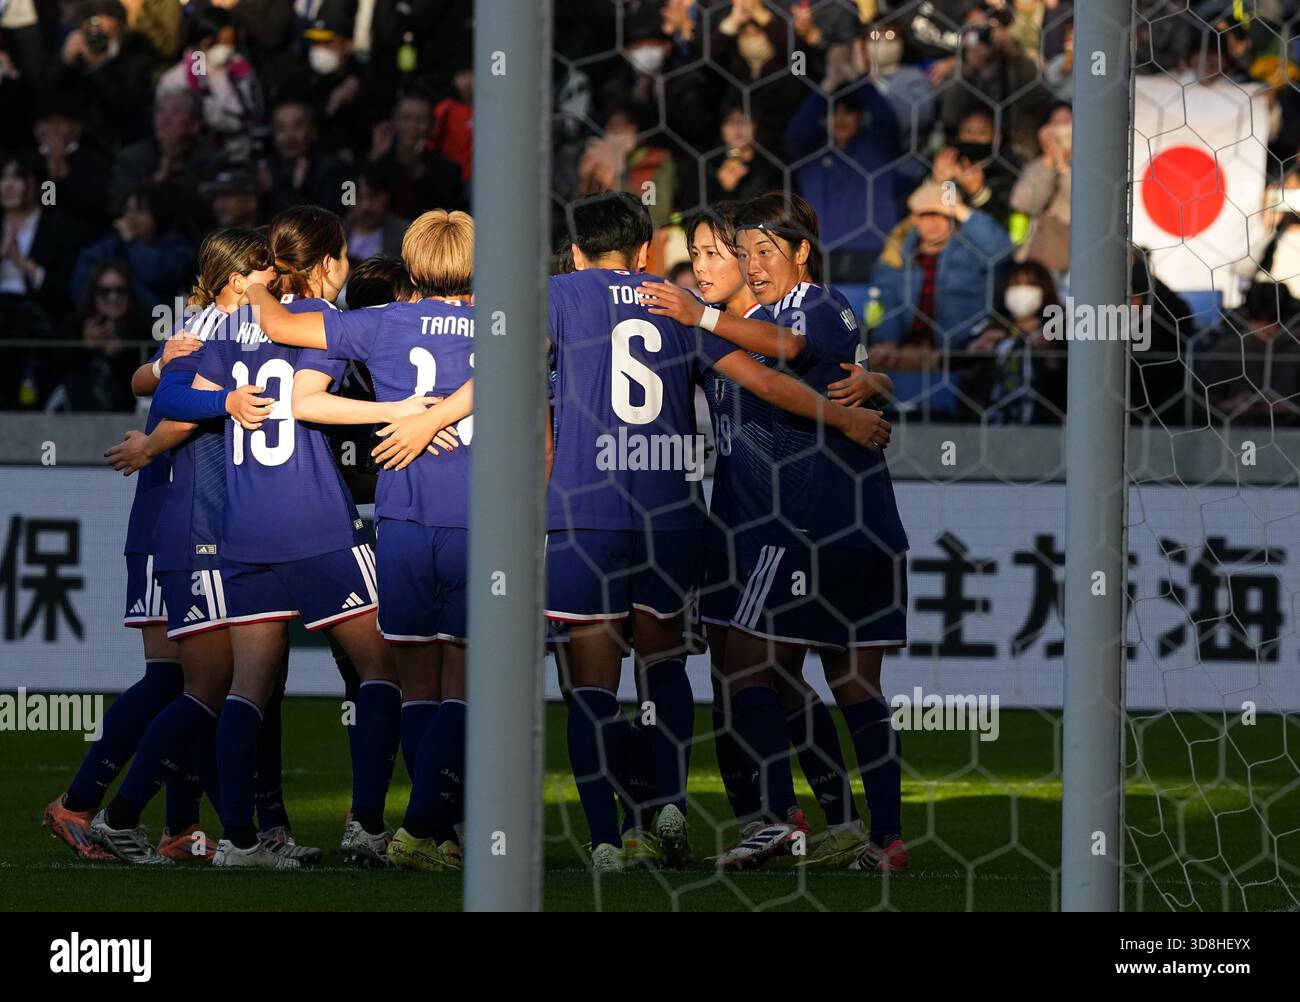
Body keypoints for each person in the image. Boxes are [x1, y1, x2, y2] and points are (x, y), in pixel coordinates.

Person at [528, 191, 889, 871]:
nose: (703, 264)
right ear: (645, 252)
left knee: (594, 684)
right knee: (673, 666)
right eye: (693, 254)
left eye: (717, 253)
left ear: (575, 254)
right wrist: (852, 410)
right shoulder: (679, 308)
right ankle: (679, 803)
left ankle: (611, 837)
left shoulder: (567, 295)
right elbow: (770, 376)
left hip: (588, 513)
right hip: (676, 516)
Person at [639, 192, 908, 872]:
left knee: (749, 671)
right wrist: (876, 387)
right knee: (832, 683)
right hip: (831, 523)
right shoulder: (743, 323)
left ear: (798, 253)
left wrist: (701, 315)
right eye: (738, 252)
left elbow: (786, 360)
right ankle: (869, 833)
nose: (738, 264)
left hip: (795, 527)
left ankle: (783, 818)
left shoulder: (797, 309)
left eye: (733, 252)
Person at [244, 210, 475, 873]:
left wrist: (257, 284)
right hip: (473, 516)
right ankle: (425, 827)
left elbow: (285, 337)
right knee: (465, 686)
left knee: (418, 686)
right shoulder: (499, 321)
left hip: (401, 515)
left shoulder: (379, 324)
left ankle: (432, 834)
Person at [191, 206, 417, 868]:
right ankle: (368, 825)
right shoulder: (317, 322)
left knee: (248, 685)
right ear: (324, 265)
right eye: (342, 258)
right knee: (386, 669)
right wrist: (395, 409)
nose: (345, 270)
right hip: (315, 522)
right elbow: (306, 399)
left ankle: (239, 842)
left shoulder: (233, 323)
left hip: (245, 526)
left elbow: (187, 393)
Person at [84, 230, 282, 863]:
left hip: (199, 520)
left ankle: (190, 827)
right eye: (263, 271)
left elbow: (151, 375)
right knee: (199, 684)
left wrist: (158, 371)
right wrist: (154, 440)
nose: (273, 281)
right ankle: (108, 810)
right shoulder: (218, 328)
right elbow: (171, 393)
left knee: (200, 683)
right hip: (189, 524)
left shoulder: (213, 325)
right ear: (233, 277)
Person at [868, 180, 1015, 420]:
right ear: (914, 218)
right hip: (908, 350)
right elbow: (888, 303)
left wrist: (961, 210)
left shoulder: (972, 252)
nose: (933, 222)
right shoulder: (898, 255)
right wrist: (887, 341)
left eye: (941, 215)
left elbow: (1002, 251)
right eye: (926, 215)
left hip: (961, 349)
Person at [964, 259, 1068, 424]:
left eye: (1030, 285)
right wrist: (973, 351)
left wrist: (1051, 358)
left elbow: (1064, 391)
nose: (1022, 291)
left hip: (1042, 429)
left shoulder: (1060, 332)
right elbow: (951, 362)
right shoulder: (990, 328)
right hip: (991, 425)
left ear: (1044, 290)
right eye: (1016, 284)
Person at [46, 260, 151, 412]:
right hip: (74, 419)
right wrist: (85, 347)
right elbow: (55, 376)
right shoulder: (74, 326)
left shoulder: (142, 329)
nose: (113, 298)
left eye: (120, 290)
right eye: (104, 291)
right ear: (93, 294)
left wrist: (119, 355)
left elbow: (147, 388)